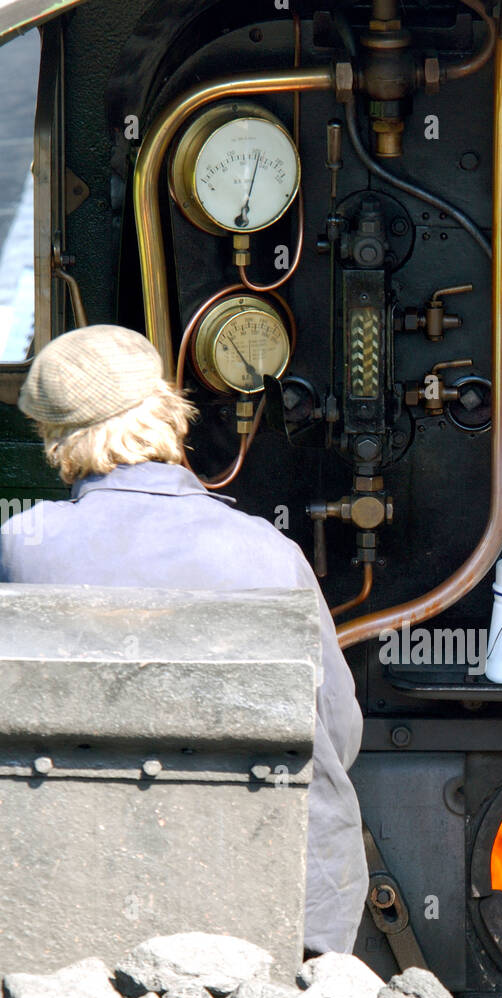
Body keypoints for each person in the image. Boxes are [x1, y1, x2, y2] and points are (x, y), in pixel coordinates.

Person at [0, 323, 368, 956]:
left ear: (57, 440)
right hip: (277, 911)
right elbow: (338, 734)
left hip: (72, 907)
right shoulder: (270, 553)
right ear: (170, 413)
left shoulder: (22, 550)